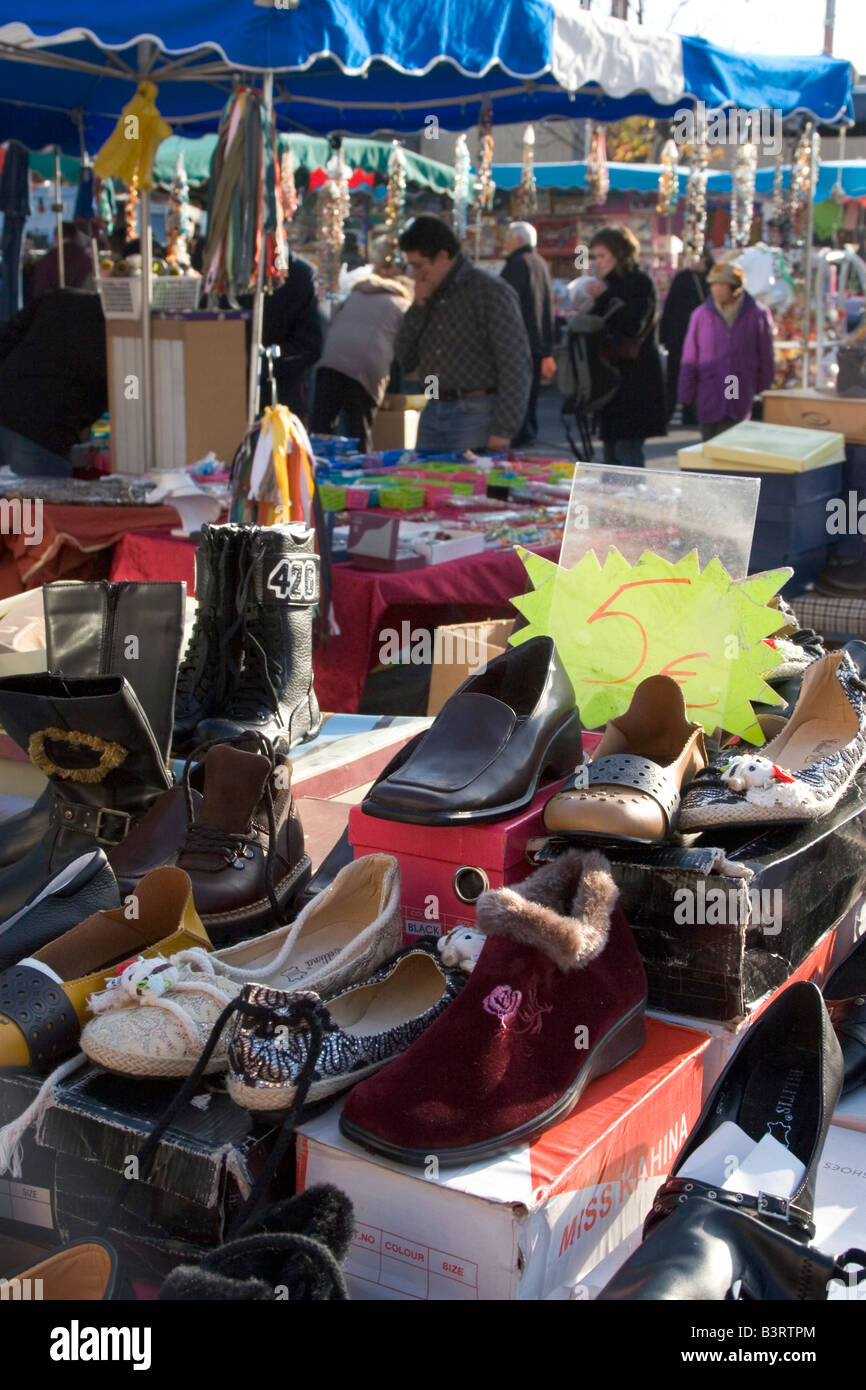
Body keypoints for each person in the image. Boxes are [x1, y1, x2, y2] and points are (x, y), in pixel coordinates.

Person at [395, 215, 531, 453]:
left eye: (419, 266)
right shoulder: (426, 294)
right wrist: (418, 307)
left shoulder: (490, 292)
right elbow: (404, 358)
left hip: (475, 412)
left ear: (443, 256)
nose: (415, 275)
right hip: (432, 408)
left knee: (469, 488)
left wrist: (503, 429)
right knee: (427, 486)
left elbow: (516, 364)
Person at [311, 237, 413, 452]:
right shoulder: (402, 304)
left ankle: (315, 474)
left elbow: (334, 319)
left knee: (320, 429)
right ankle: (358, 475)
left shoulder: (358, 294)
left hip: (330, 359)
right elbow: (411, 353)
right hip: (365, 367)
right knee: (359, 431)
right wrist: (432, 392)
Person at [0, 288, 106, 476]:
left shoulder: (58, 298)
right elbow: (129, 396)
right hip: (41, 431)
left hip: (7, 403)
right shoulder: (123, 337)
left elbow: (6, 337)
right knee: (36, 502)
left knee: (12, 501)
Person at [587, 226, 667, 468]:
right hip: (610, 380)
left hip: (636, 378)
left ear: (619, 253)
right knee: (610, 454)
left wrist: (603, 299)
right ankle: (613, 504)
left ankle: (631, 504)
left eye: (602, 256)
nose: (598, 262)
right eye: (595, 257)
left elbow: (634, 325)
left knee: (627, 453)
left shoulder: (640, 282)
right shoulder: (606, 284)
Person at [678, 260, 775, 442]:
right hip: (710, 387)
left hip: (738, 384)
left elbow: (766, 356)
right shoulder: (701, 315)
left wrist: (764, 388)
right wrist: (686, 391)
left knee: (733, 438)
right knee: (710, 443)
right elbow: (690, 358)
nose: (717, 289)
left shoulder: (757, 314)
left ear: (735, 287)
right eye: (714, 284)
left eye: (722, 284)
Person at [239, 249, 324, 420]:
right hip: (244, 387)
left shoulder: (299, 274)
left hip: (281, 392)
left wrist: (267, 359)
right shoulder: (237, 266)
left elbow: (311, 346)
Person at [499, 221, 556, 446]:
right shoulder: (539, 263)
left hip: (520, 341)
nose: (505, 243)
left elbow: (505, 304)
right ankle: (528, 431)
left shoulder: (517, 264)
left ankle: (521, 433)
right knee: (530, 394)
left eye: (508, 238)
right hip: (538, 341)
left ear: (518, 240)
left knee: (517, 392)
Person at [659, 249, 714, 425]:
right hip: (700, 338)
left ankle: (667, 414)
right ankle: (689, 412)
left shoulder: (683, 278)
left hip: (679, 336)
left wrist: (664, 335)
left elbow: (669, 308)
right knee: (695, 375)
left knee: (675, 376)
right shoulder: (713, 282)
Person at [31, 222, 94, 298]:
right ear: (75, 237)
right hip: (82, 304)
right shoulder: (86, 260)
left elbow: (40, 290)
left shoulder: (48, 260)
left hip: (54, 305)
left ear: (56, 237)